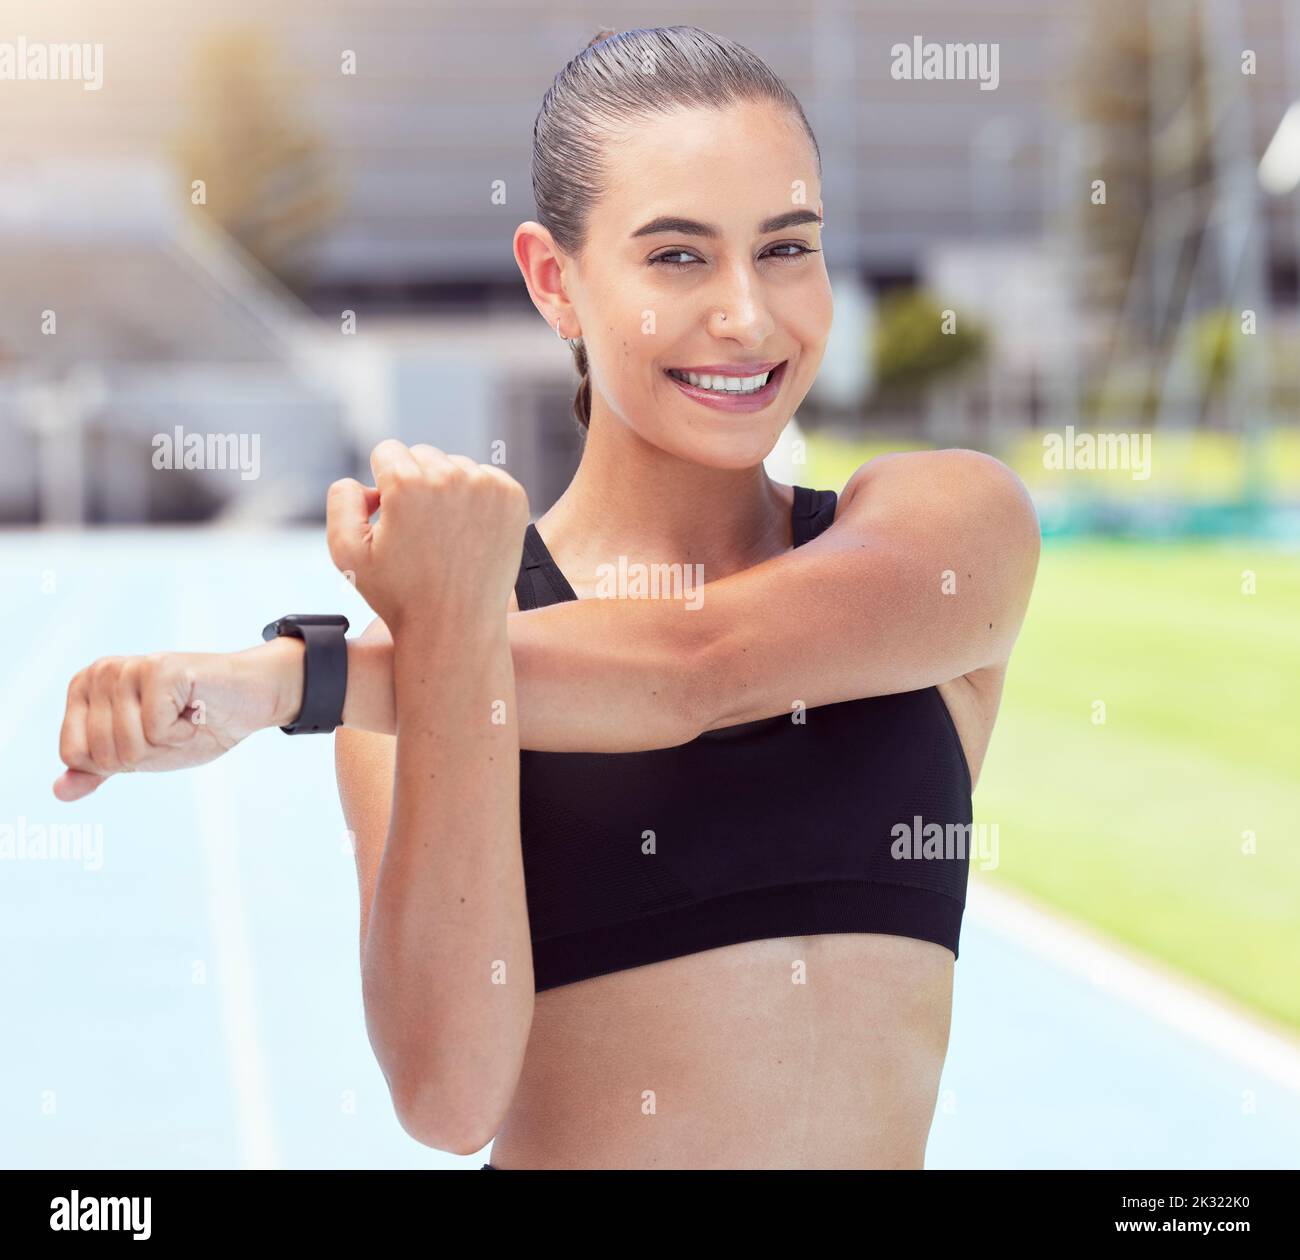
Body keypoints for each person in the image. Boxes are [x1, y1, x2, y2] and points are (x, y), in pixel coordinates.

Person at [53, 26, 1040, 1169]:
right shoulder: (417, 672)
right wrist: (416, 650)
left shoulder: (948, 527)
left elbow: (697, 664)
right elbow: (449, 1099)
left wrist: (288, 678)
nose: (747, 316)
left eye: (785, 249)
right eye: (677, 256)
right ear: (553, 280)